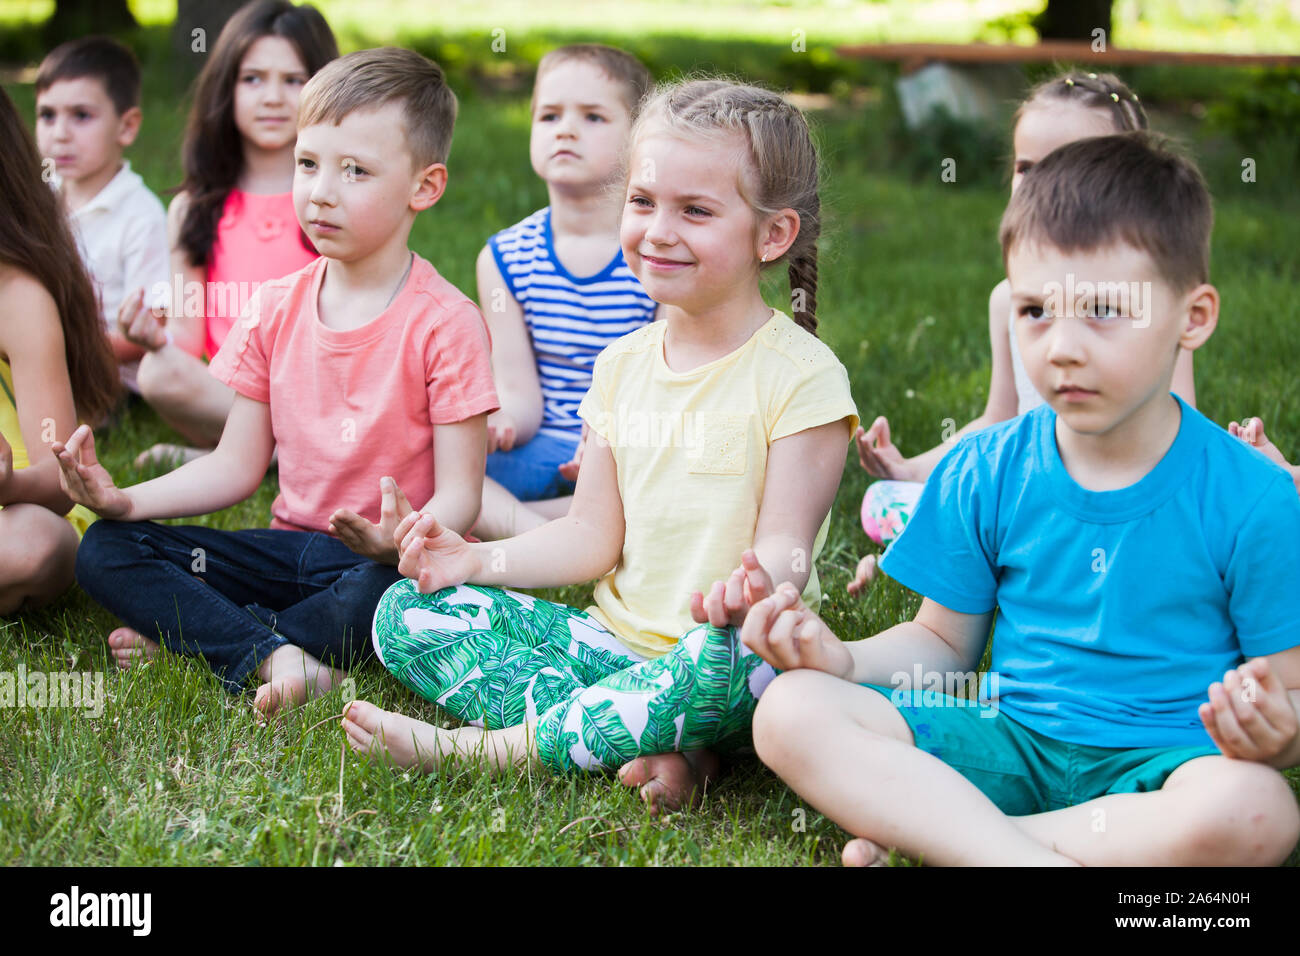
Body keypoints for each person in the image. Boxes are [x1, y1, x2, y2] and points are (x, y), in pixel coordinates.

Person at [746, 132, 1300, 866]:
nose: (1060, 346)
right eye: (1036, 310)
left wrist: (1271, 732)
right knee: (792, 709)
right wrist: (842, 661)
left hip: (1164, 770)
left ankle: (951, 837)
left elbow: (1286, 696)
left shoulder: (1253, 495)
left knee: (1257, 809)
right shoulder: (986, 466)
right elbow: (942, 646)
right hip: (1006, 741)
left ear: (1192, 318)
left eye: (1103, 308)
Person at [342, 78, 858, 814]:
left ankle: (487, 751)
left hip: (728, 657)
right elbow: (590, 537)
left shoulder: (802, 379)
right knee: (407, 613)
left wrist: (747, 595)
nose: (658, 230)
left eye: (697, 211)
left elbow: (788, 550)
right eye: (644, 202)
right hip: (608, 645)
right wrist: (475, 560)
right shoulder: (620, 366)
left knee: (725, 669)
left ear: (772, 236)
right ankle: (661, 746)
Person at [57, 48, 497, 717]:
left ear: (424, 187)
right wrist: (123, 500)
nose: (320, 190)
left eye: (354, 171)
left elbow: (462, 494)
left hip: (385, 568)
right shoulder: (274, 305)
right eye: (307, 162)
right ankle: (280, 654)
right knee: (106, 550)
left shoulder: (449, 323)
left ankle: (210, 638)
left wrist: (402, 540)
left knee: (381, 599)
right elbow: (237, 465)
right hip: (286, 548)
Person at [850, 72, 1195, 593]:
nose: (1039, 186)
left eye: (1067, 165)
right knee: (884, 504)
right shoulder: (1009, 301)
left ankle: (981, 558)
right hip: (1024, 487)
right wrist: (912, 467)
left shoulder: (1148, 304)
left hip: (1117, 497)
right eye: (1026, 167)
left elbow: (1180, 425)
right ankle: (950, 551)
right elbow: (998, 420)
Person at [117, 0, 337, 467]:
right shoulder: (191, 212)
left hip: (325, 389)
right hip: (236, 392)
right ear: (226, 88)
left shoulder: (333, 200)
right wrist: (153, 340)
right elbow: (187, 338)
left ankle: (235, 458)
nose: (273, 97)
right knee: (158, 372)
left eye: (294, 80)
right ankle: (289, 458)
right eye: (252, 78)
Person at [474, 44, 658, 540]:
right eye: (549, 115)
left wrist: (608, 441)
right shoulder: (506, 257)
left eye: (593, 116)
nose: (566, 129)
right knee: (446, 471)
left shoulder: (657, 250)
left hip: (632, 445)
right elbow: (518, 393)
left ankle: (530, 528)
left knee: (680, 477)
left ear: (638, 139)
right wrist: (501, 423)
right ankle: (562, 531)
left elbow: (665, 383)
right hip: (543, 448)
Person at [0, 87, 121, 614]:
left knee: (35, 544)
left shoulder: (19, 298)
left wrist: (7, 483)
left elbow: (60, 479)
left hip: (21, 509)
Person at [34, 35, 169, 392]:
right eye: (47, 115)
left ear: (126, 127)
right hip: (38, 349)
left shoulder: (141, 214)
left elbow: (153, 322)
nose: (59, 135)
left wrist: (69, 352)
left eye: (81, 116)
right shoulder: (40, 199)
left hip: (104, 372)